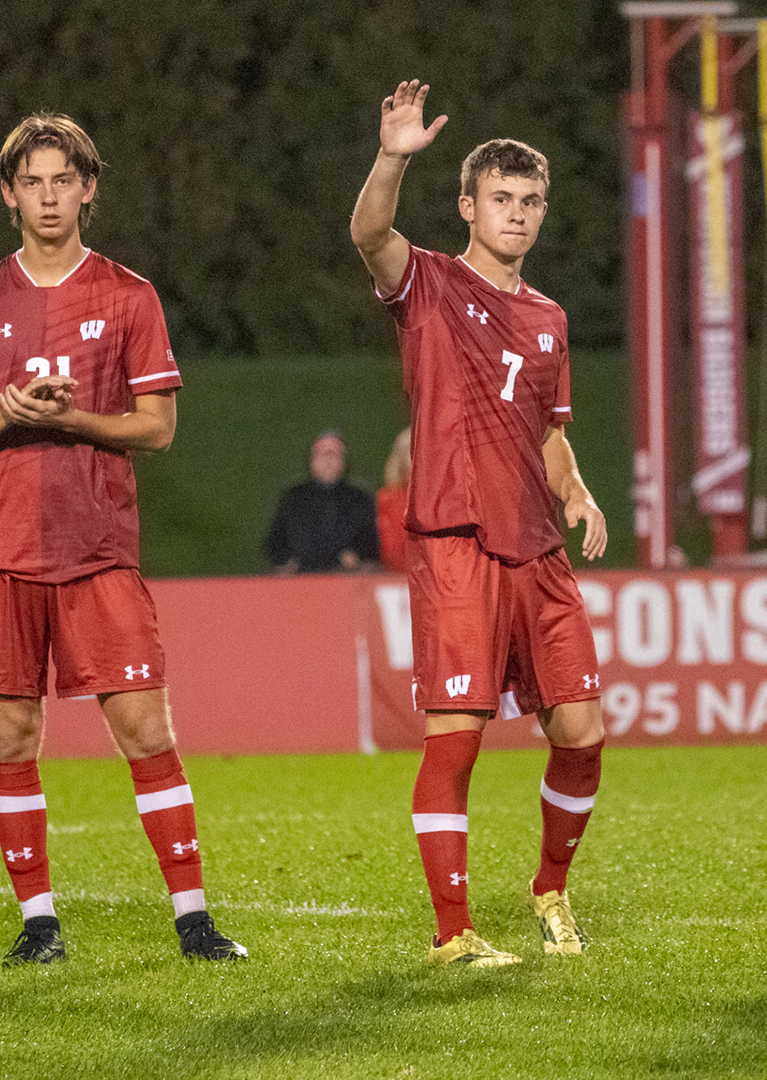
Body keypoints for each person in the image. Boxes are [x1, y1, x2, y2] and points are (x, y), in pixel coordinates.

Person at [0, 112, 244, 964]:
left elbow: (157, 427)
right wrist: (7, 413)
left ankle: (195, 921)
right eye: (33, 182)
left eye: (63, 180)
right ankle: (39, 926)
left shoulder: (128, 295)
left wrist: (74, 419)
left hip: (97, 551)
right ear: (9, 194)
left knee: (146, 730)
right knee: (11, 740)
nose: (49, 196)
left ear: (88, 188)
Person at [352, 80, 609, 966]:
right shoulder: (427, 282)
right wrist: (392, 158)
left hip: (538, 547)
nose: (518, 214)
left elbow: (548, 430)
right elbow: (370, 235)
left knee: (582, 734)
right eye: (502, 198)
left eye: (531, 201)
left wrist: (578, 492)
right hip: (456, 539)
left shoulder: (549, 318)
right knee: (456, 740)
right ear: (468, 205)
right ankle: (453, 931)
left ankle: (550, 889)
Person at [264, 431, 380, 573]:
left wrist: (357, 558)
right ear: (312, 460)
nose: (328, 461)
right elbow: (275, 540)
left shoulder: (359, 499)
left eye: (334, 455)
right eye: (323, 455)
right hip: (301, 577)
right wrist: (285, 561)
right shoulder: (293, 497)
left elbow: (371, 541)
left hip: (346, 576)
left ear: (343, 461)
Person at [376, 427, 413, 572]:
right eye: (410, 452)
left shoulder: (442, 503)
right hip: (394, 576)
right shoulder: (385, 500)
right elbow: (388, 551)